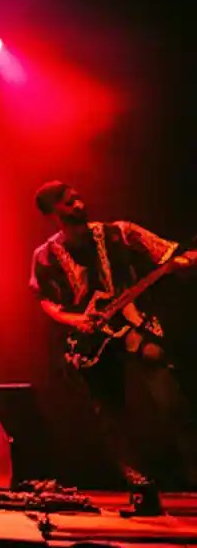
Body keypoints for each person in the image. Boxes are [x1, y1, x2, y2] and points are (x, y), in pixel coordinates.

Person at [28, 180, 197, 496]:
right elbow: (44, 300)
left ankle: (194, 473)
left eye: (78, 198)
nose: (78, 205)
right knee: (109, 414)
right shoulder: (45, 255)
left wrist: (186, 261)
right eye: (68, 203)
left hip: (134, 324)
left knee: (171, 400)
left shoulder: (119, 232)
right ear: (53, 212)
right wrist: (76, 320)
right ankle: (137, 481)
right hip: (91, 339)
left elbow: (168, 253)